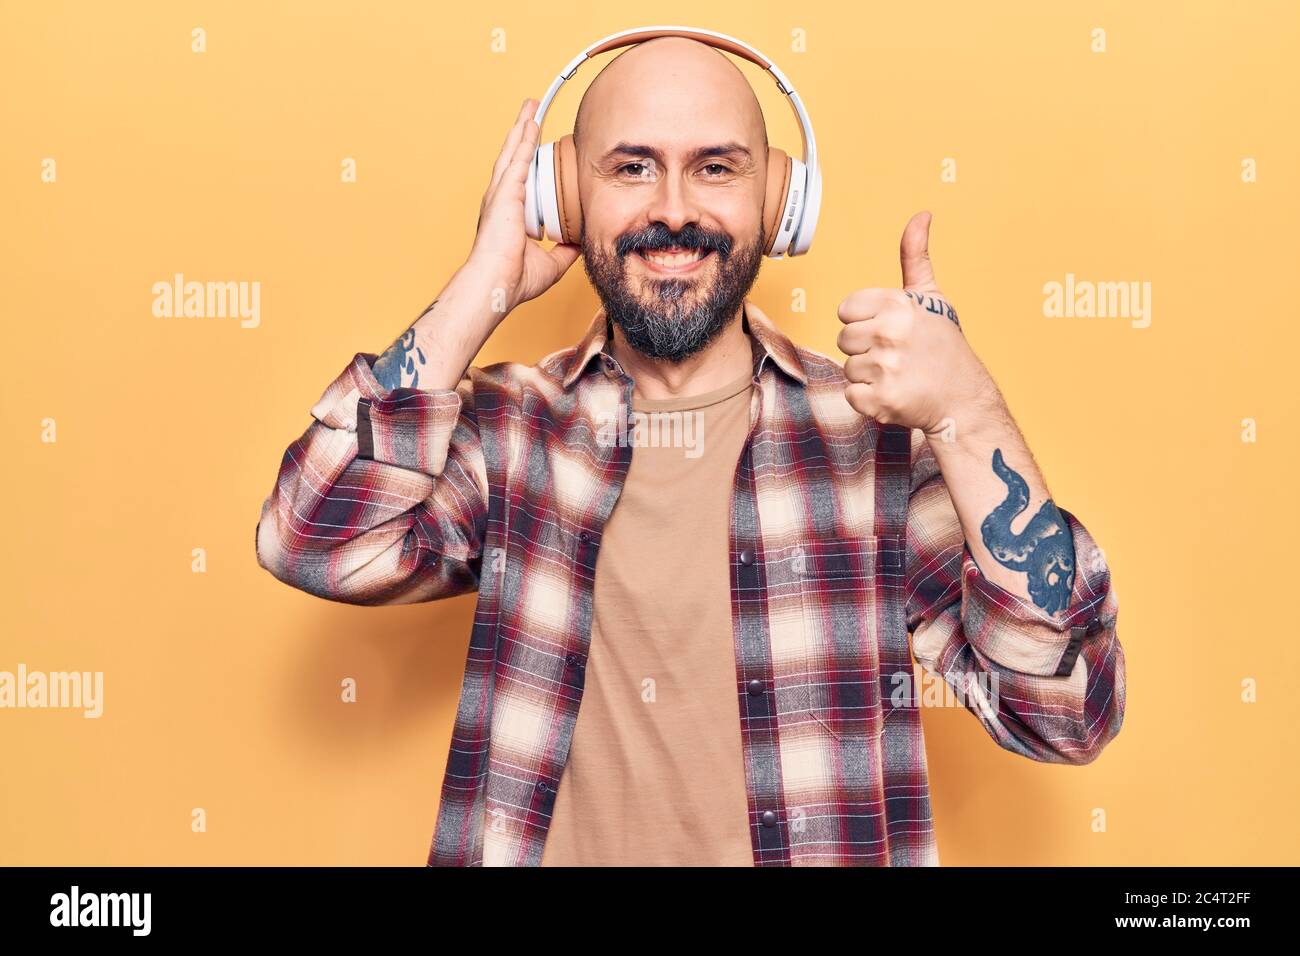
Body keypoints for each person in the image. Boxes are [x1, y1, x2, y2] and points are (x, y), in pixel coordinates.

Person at [255, 35, 1125, 866]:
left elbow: (1067, 713)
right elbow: (315, 540)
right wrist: (482, 289)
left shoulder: (872, 447)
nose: (673, 210)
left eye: (716, 167)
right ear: (564, 197)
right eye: (631, 168)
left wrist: (968, 414)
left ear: (780, 205)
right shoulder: (512, 433)